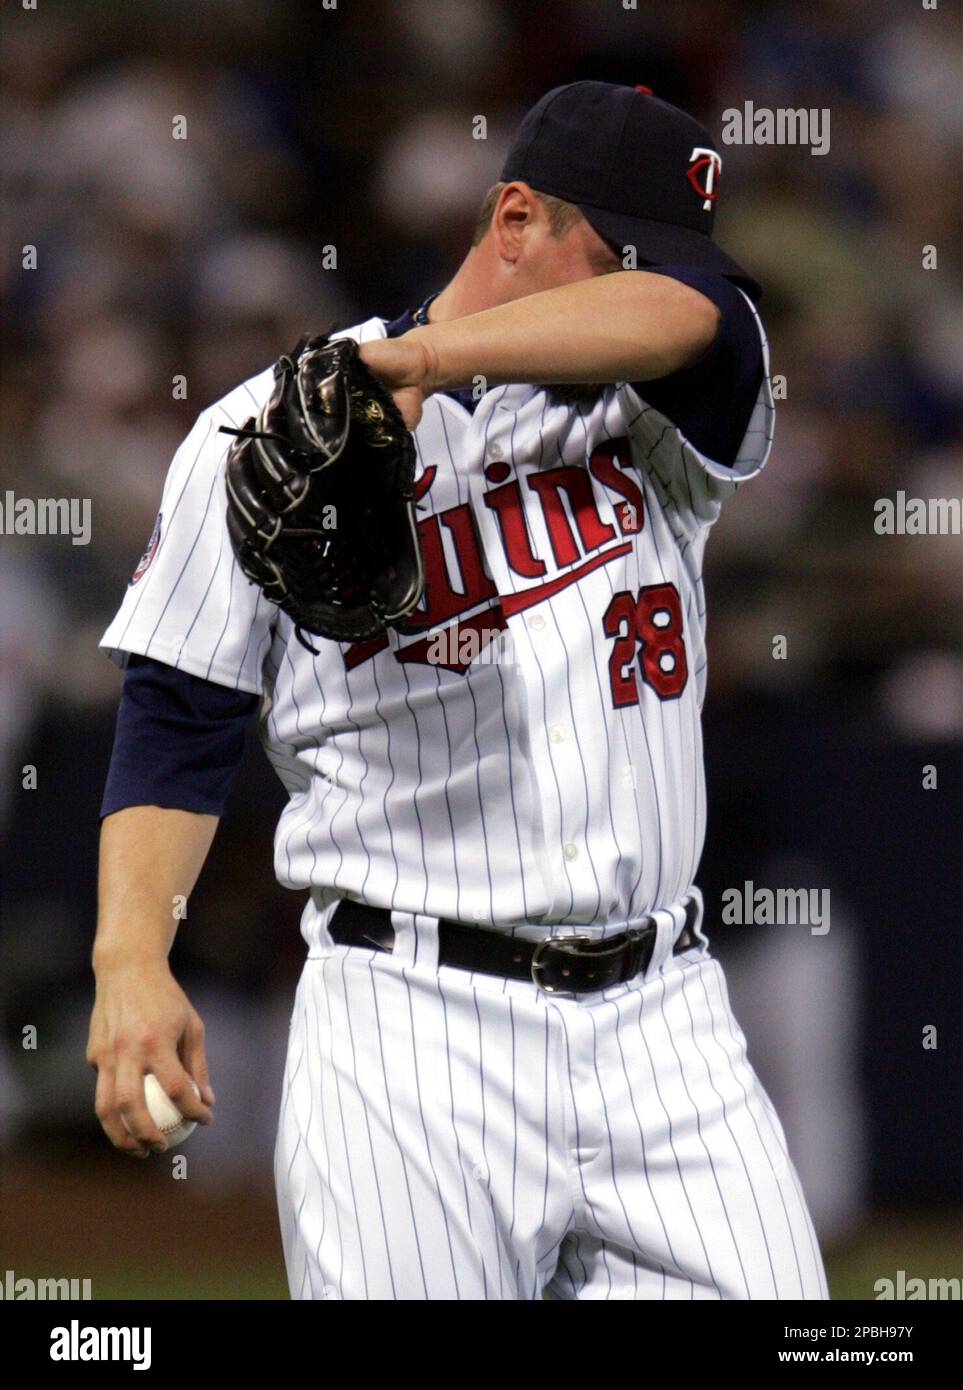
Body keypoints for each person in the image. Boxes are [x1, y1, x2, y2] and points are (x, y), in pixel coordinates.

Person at [87, 81, 827, 1300]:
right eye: (625, 252)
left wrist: (414, 358)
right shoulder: (263, 430)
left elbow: (694, 315)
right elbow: (177, 719)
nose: (663, 286)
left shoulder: (662, 417)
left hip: (664, 1022)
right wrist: (130, 962)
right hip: (408, 1023)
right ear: (516, 218)